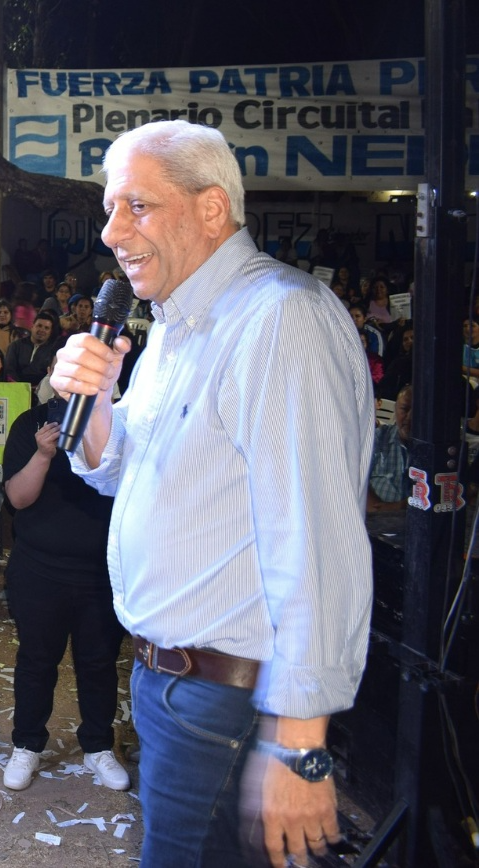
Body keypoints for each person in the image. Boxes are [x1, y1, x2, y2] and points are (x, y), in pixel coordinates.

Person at [49, 120, 373, 868]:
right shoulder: (175, 323)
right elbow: (116, 471)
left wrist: (299, 747)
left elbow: (317, 543)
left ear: (211, 209)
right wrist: (95, 401)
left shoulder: (279, 318)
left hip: (230, 702)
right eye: (109, 209)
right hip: (170, 687)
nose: (111, 232)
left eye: (137, 206)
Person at [0, 397, 128, 792]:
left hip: (102, 571)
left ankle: (98, 746)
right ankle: (27, 744)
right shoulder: (33, 423)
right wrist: (43, 453)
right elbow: (18, 498)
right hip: (39, 567)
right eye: (63, 372)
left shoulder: (120, 421)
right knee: (36, 660)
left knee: (99, 663)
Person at [367, 384, 412, 511]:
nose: (410, 417)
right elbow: (357, 484)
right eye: (405, 409)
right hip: (377, 520)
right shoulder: (377, 438)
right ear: (395, 409)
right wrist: (400, 507)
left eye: (418, 410)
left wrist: (396, 507)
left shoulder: (434, 449)